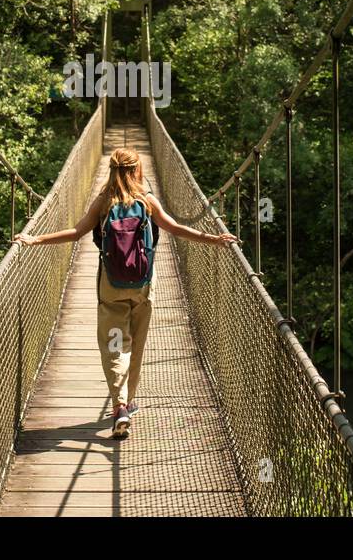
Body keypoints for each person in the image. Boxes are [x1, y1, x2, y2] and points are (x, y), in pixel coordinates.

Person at [13, 148, 238, 437]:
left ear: (112, 170)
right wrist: (214, 239)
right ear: (136, 170)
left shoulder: (104, 201)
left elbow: (75, 233)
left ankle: (119, 405)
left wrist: (35, 239)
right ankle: (129, 402)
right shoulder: (147, 200)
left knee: (115, 345)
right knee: (137, 345)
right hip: (143, 284)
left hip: (111, 285)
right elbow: (176, 228)